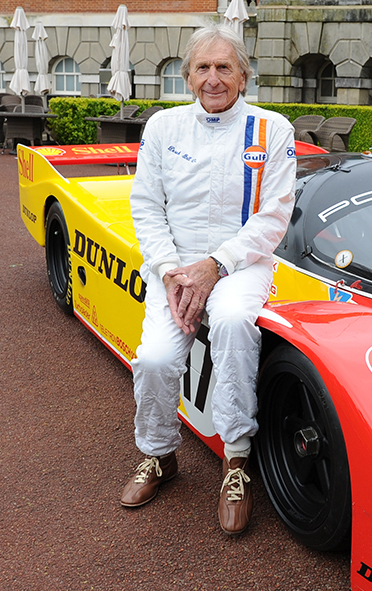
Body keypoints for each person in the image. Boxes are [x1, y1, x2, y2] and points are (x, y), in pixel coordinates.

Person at [118, 24, 296, 535]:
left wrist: (216, 264)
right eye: (203, 67)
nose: (213, 78)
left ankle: (236, 460)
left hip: (241, 264)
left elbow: (274, 217)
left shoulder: (272, 129)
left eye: (224, 67)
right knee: (155, 358)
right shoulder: (163, 127)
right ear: (187, 76)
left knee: (235, 323)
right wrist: (168, 271)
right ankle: (159, 455)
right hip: (174, 267)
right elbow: (146, 206)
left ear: (243, 76)